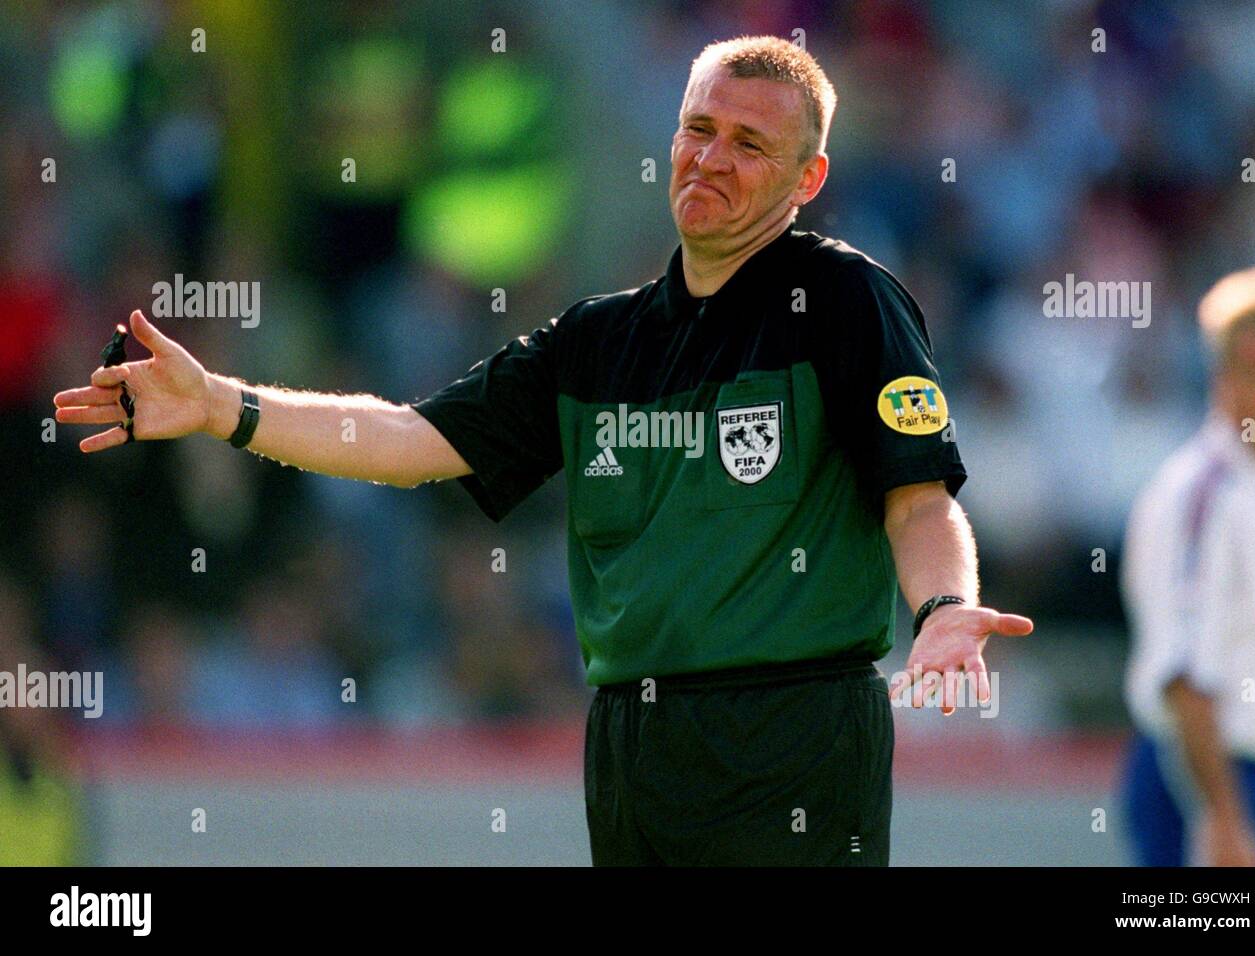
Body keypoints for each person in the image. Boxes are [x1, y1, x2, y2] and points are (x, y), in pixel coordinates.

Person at [53, 35, 1033, 866]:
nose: (710, 157)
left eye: (748, 143)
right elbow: (411, 438)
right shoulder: (595, 339)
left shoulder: (845, 302)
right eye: (698, 129)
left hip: (798, 728)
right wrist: (226, 403)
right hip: (631, 739)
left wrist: (942, 608)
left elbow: (918, 495)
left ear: (805, 178)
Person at [1121, 265, 1255, 867]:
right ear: (1224, 380)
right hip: (1205, 778)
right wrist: (1223, 818)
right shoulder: (1200, 495)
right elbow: (1184, 676)